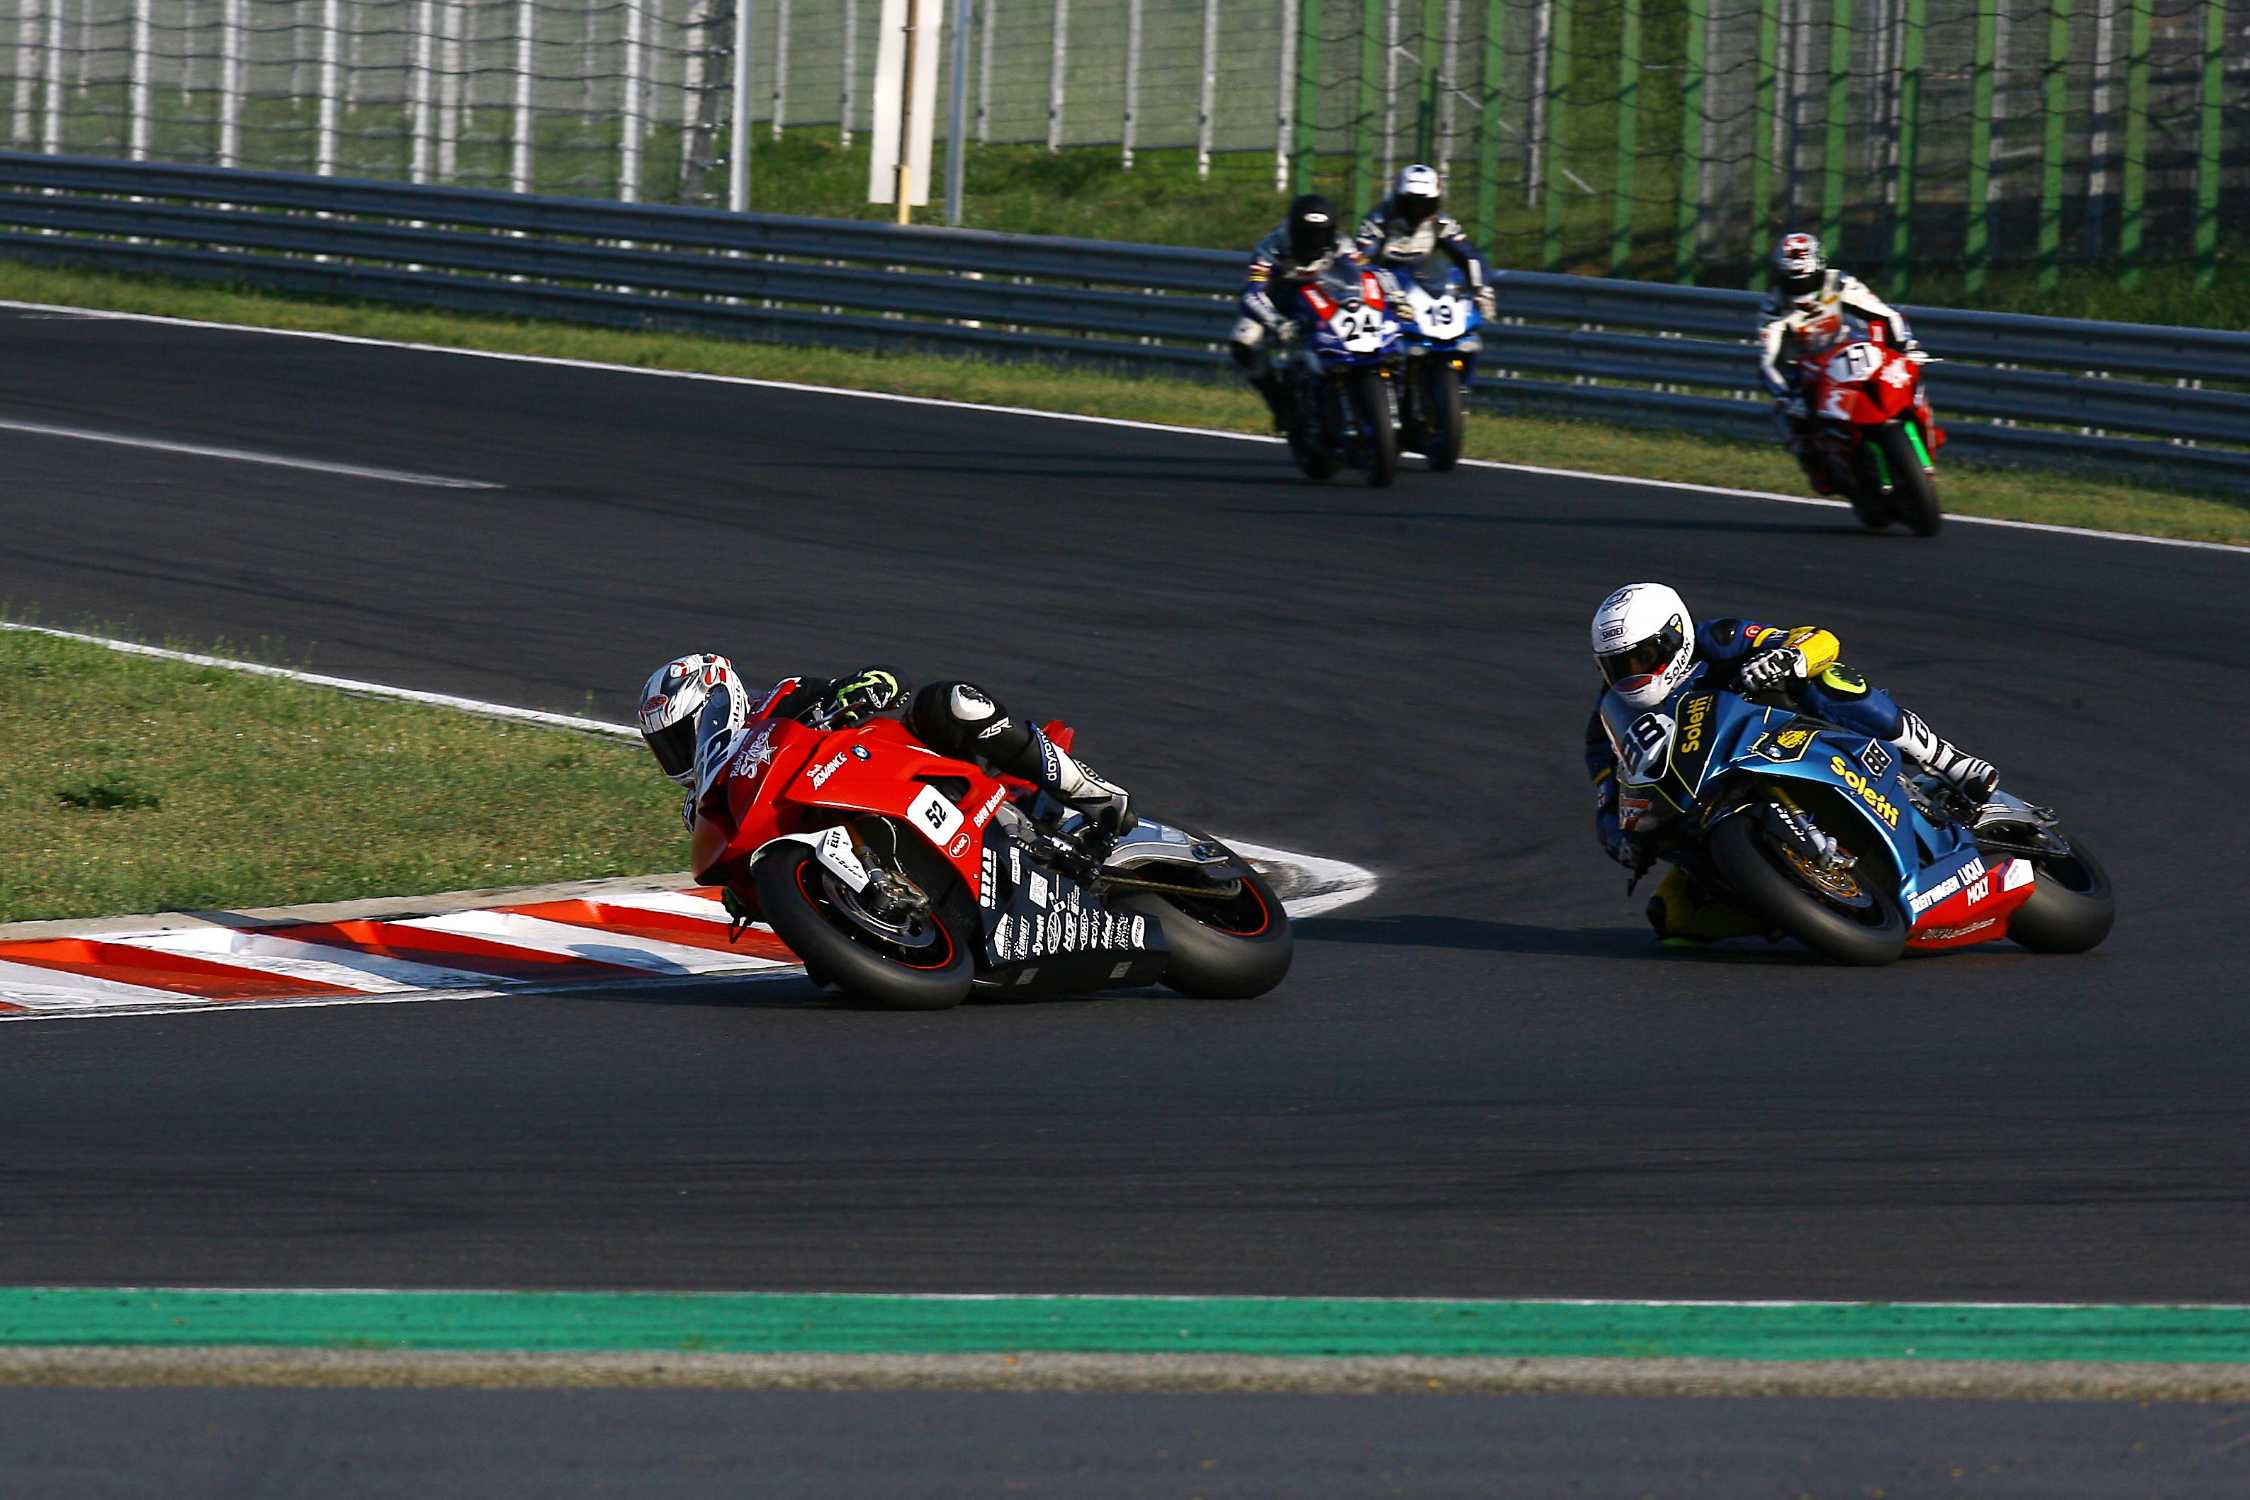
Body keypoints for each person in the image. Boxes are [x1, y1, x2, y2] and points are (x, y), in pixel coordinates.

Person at [1582, 583, 1999, 941]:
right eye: (1618, 665)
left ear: (1675, 637)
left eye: (1642, 658)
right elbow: (1607, 795)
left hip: (1785, 735)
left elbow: (1817, 638)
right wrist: (1617, 839)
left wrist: (1788, 656)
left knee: (1832, 679)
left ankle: (1947, 760)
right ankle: (1791, 913)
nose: (1632, 674)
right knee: (1672, 918)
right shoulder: (1607, 721)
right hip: (1703, 798)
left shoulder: (1720, 638)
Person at [635, 655, 1134, 838]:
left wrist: (862, 689)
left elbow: (880, 679)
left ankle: (1088, 791)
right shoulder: (703, 809)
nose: (680, 753)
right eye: (666, 746)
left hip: (900, 773)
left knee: (951, 702)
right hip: (848, 835)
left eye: (683, 735)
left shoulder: (784, 699)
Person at [1756, 231, 1927, 492]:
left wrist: (1907, 344)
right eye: (1793, 283)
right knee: (1784, 415)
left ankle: (1920, 428)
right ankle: (1815, 464)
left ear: (1819, 267)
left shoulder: (1839, 282)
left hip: (1846, 351)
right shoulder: (1773, 307)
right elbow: (1767, 361)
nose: (1801, 290)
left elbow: (1885, 314)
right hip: (1803, 368)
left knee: (1902, 371)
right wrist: (1785, 395)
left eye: (1807, 280)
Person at [1231, 193, 1364, 429]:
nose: (1314, 240)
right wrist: (1276, 322)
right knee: (1244, 339)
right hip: (1283, 305)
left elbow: (1365, 275)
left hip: (1329, 302)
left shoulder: (1342, 245)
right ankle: (1278, 400)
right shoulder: (1272, 246)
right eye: (1307, 233)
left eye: (1321, 233)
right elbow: (1251, 293)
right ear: (1294, 228)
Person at [1352, 164, 1497, 321]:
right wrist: (1389, 293)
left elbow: (1470, 256)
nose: (1417, 211)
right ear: (1397, 199)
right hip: (1384, 294)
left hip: (1427, 288)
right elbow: (1361, 262)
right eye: (1410, 204)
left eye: (1425, 204)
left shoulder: (1441, 223)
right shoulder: (1378, 221)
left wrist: (1483, 289)